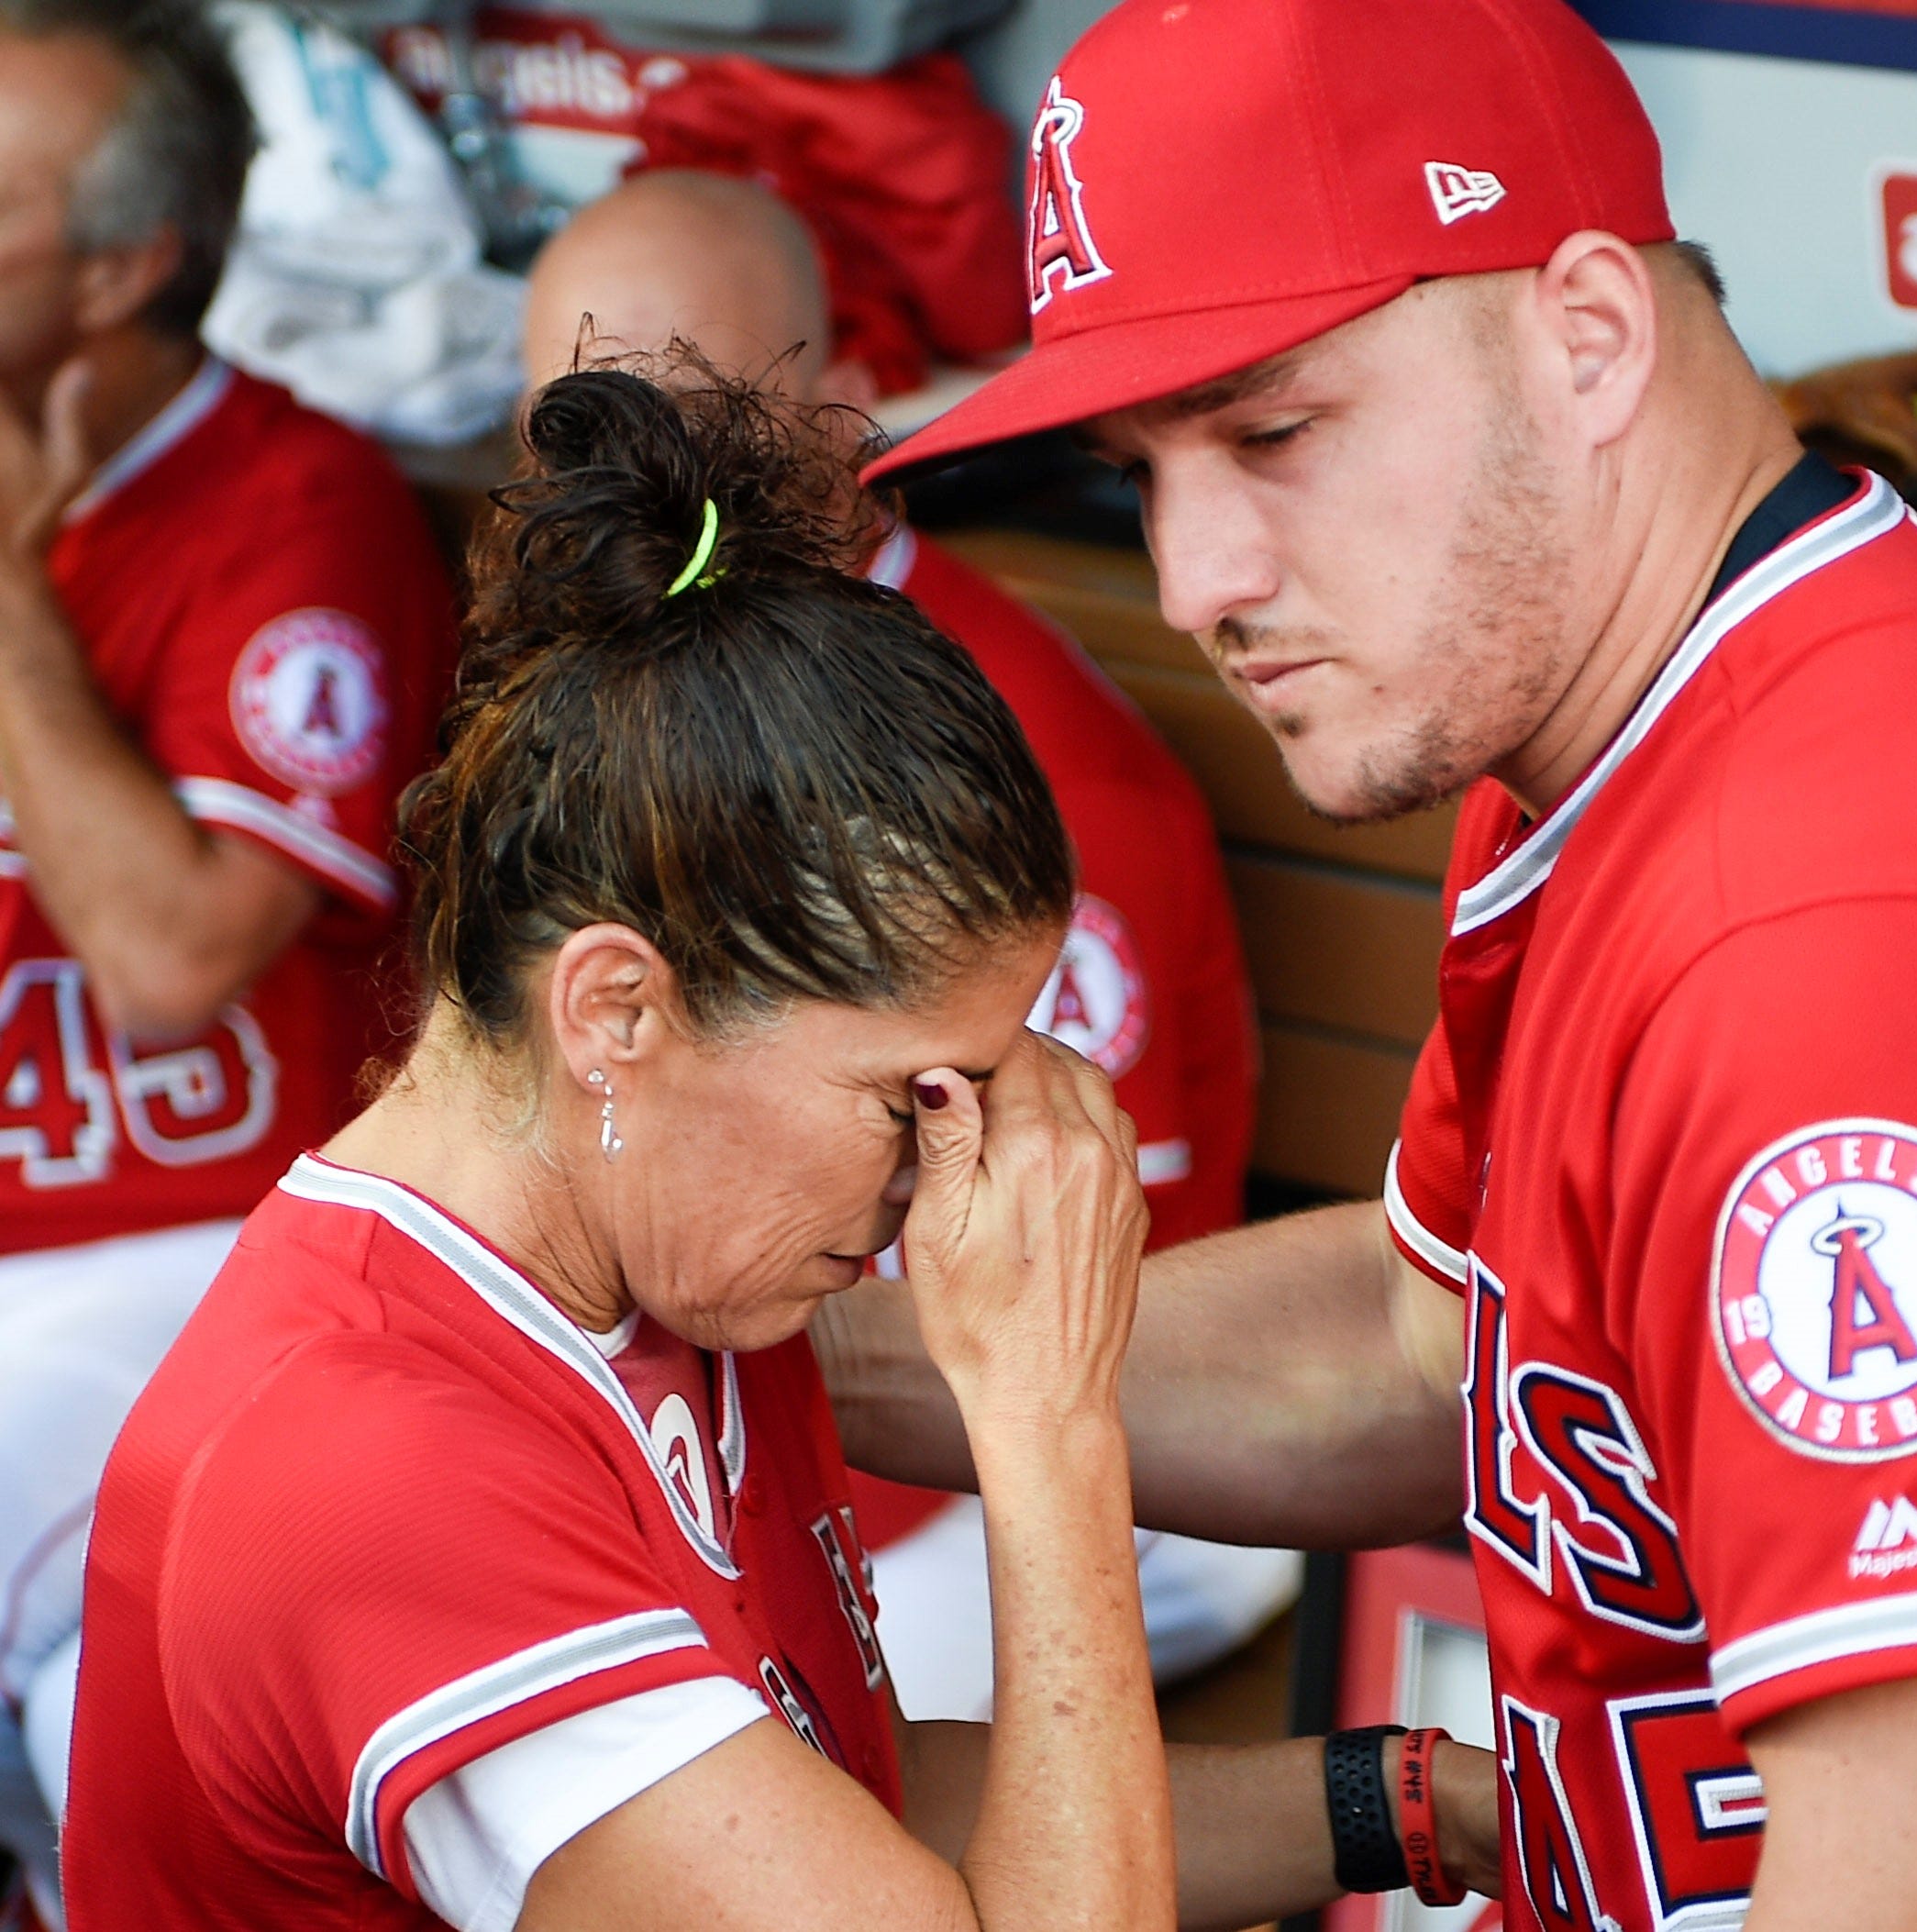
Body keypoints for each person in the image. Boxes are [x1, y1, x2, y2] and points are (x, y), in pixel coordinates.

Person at [825, 0, 1917, 1926]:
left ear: (1588, 336)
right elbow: (1450, 1354)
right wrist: (760, 1342)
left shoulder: (1838, 947)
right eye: (1144, 465)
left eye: (1273, 432)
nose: (1195, 579)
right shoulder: (1651, 710)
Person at [64, 361, 1499, 1931]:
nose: (929, 1176)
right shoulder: (377, 1471)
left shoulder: (643, 1272)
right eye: (907, 1096)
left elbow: (857, 1812)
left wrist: (1434, 1803)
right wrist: (1047, 1435)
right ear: (616, 1006)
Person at [518, 168, 1290, 1719]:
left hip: (1068, 1447)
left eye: (680, 428)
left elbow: (1040, 1300)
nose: (618, 497)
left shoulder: (1015, 772)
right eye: (572, 436)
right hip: (736, 1394)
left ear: (845, 420)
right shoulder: (627, 687)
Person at [0, 2, 455, 1920]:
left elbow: (179, 953)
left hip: (208, 1234)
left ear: (124, 268)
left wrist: (3, 597)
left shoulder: (294, 510)